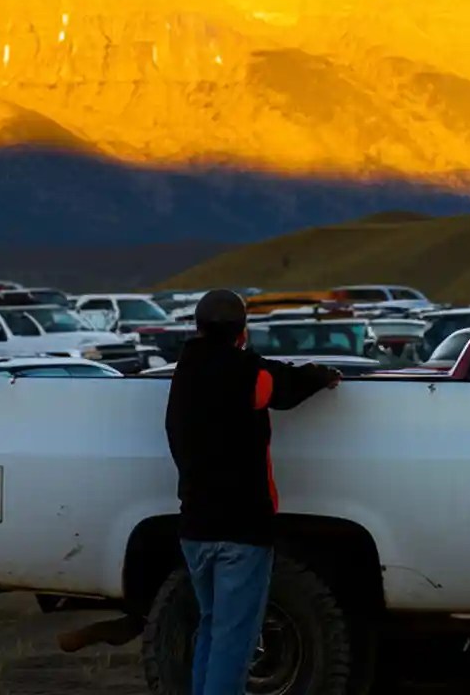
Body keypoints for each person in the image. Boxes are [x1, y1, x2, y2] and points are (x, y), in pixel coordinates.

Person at [166, 289, 340, 695]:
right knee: (235, 638)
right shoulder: (246, 373)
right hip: (240, 528)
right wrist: (320, 374)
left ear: (198, 326)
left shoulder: (185, 370)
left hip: (194, 526)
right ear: (242, 332)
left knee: (212, 625)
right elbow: (284, 387)